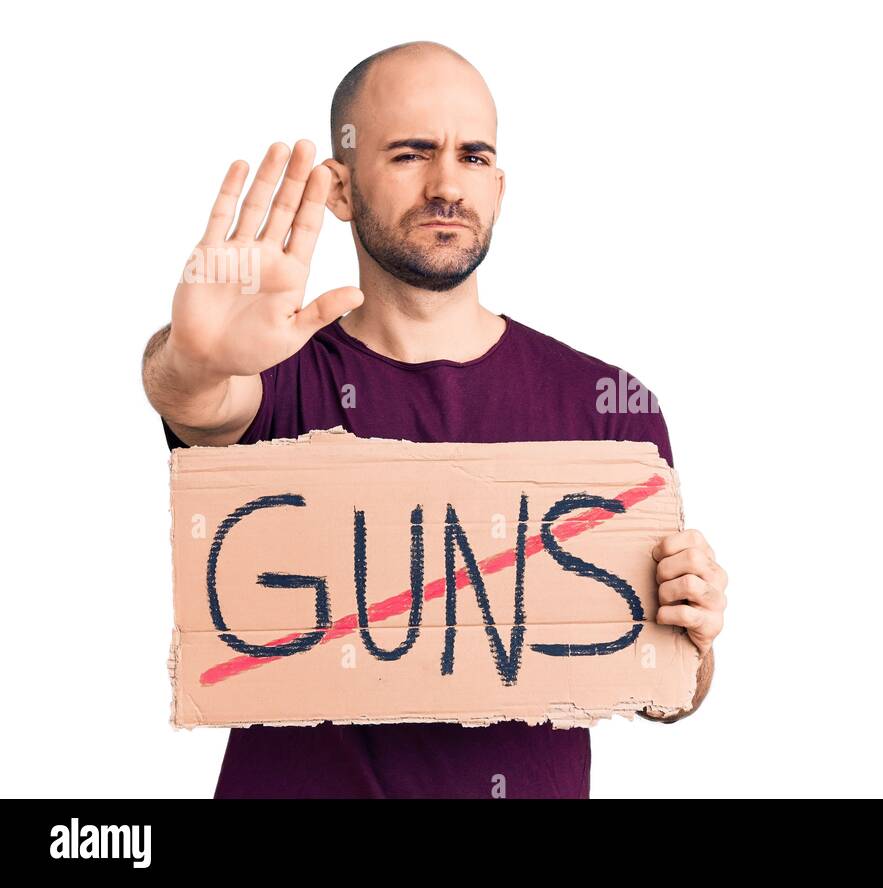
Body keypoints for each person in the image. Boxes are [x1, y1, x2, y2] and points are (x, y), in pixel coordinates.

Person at [140, 41, 728, 798]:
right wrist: (191, 358)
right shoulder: (271, 381)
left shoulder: (606, 406)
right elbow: (194, 402)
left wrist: (696, 635)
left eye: (474, 156)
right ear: (343, 190)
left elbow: (660, 688)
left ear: (501, 184)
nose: (448, 184)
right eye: (412, 154)